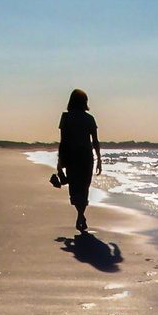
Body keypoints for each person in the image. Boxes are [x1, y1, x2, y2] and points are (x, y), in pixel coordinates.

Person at [57, 89, 102, 232]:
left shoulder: (66, 117)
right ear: (84, 102)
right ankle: (81, 214)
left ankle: (80, 214)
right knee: (84, 188)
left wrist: (60, 162)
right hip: (86, 157)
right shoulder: (90, 119)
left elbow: (63, 141)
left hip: (71, 156)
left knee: (75, 189)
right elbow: (95, 141)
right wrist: (99, 158)